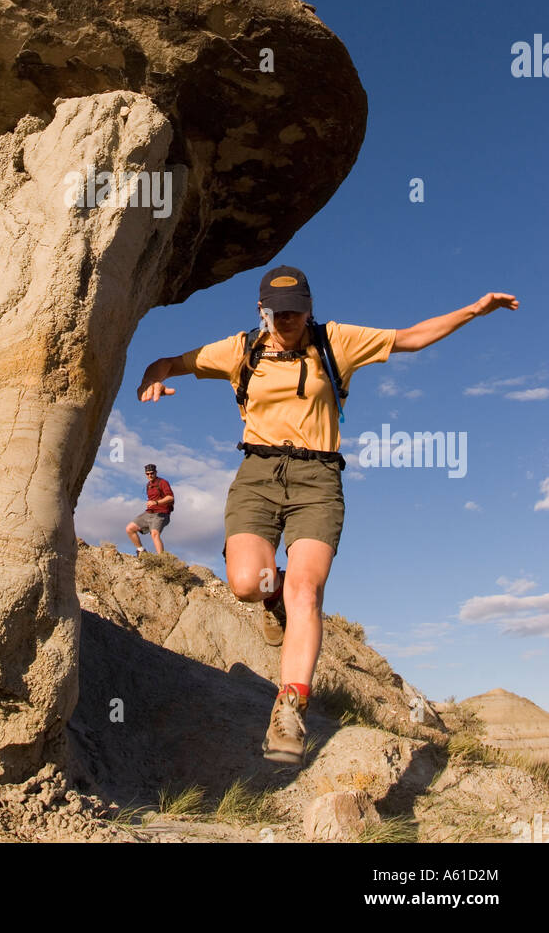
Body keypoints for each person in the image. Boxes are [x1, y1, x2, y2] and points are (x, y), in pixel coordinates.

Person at [136, 264, 518, 764]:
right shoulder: (240, 350)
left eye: (297, 310)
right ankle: (270, 602)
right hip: (257, 474)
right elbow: (166, 362)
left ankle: (290, 708)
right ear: (261, 310)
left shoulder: (335, 340)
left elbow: (411, 339)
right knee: (248, 584)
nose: (288, 320)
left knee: (306, 590)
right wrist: (152, 381)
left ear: (310, 308)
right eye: (279, 312)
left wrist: (474, 309)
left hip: (318, 479)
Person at [125, 463, 174, 556]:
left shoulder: (163, 482)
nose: (150, 475)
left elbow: (170, 498)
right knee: (129, 528)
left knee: (154, 534)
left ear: (156, 472)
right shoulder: (148, 485)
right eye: (147, 474)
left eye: (152, 473)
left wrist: (156, 502)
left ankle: (162, 560)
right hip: (149, 513)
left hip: (161, 513)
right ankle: (141, 551)